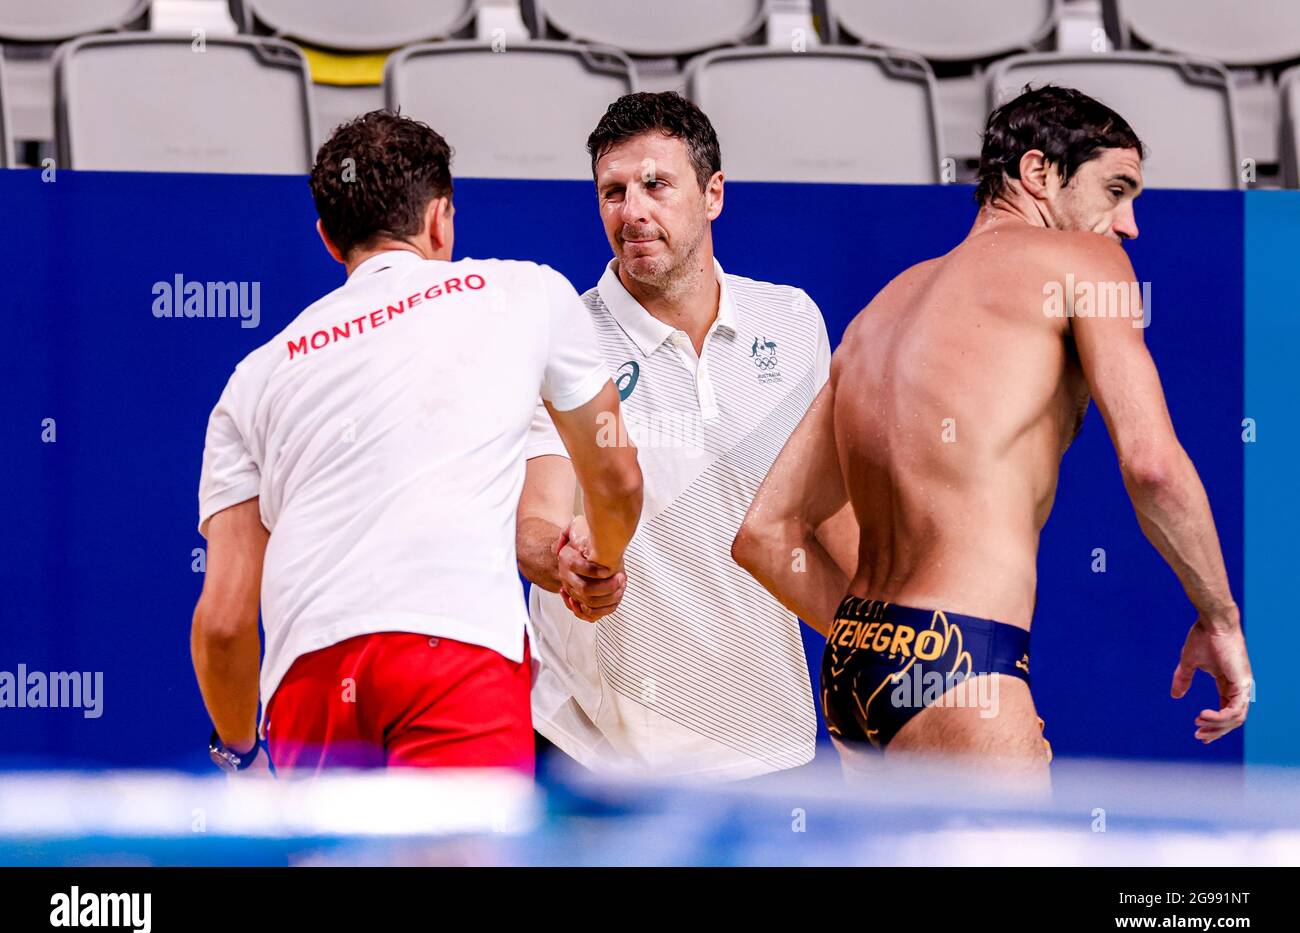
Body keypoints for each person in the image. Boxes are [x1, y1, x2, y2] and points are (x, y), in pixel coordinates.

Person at [733, 86, 1251, 782]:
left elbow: (766, 532)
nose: (1129, 226)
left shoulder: (881, 311)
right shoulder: (1086, 264)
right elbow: (1152, 466)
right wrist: (1219, 618)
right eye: (1116, 189)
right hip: (962, 658)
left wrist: (896, 653)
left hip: (852, 666)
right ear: (1038, 173)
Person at [191, 110, 642, 775]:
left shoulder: (252, 378)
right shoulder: (528, 292)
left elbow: (225, 623)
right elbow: (618, 479)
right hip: (455, 657)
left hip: (308, 683)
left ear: (327, 239)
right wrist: (598, 562)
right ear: (440, 220)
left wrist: (240, 753)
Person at [517, 92, 850, 781]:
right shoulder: (562, 339)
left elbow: (830, 516)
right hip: (602, 759)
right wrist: (566, 563)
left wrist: (878, 647)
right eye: (612, 191)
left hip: (772, 744)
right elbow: (535, 523)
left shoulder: (793, 321)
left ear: (713, 194)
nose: (631, 211)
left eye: (656, 185)